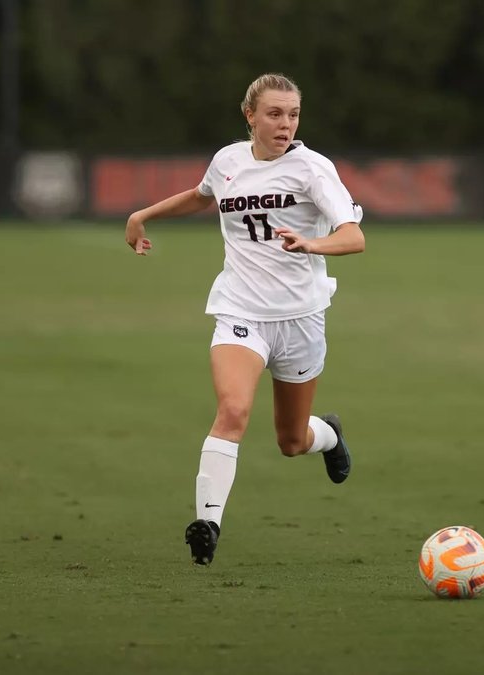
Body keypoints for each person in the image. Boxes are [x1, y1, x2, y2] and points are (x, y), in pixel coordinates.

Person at [124, 73, 365, 566]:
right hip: (241, 312)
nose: (285, 124)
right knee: (232, 411)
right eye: (274, 114)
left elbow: (354, 237)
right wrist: (142, 215)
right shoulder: (228, 161)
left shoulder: (313, 169)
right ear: (250, 115)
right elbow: (203, 195)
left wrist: (312, 243)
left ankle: (329, 435)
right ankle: (207, 524)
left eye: (293, 114)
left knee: (292, 441)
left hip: (300, 319)